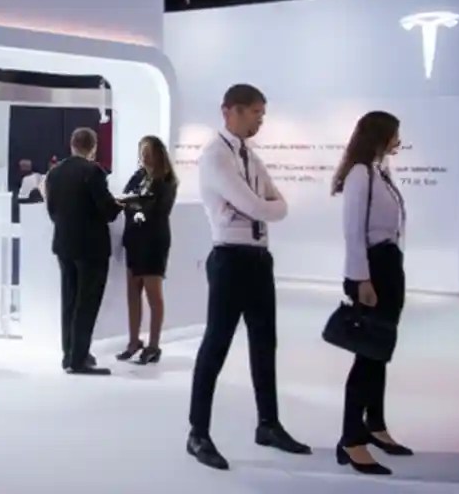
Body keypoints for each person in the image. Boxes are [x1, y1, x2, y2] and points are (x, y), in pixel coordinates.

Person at [187, 84, 309, 471]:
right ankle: (198, 433)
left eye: (262, 113)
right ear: (231, 111)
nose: (260, 120)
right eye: (256, 112)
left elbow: (280, 206)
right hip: (230, 260)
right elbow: (259, 205)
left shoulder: (250, 156)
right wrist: (260, 208)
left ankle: (268, 424)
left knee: (264, 343)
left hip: (258, 259)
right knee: (216, 346)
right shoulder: (215, 158)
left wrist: (260, 208)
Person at [330, 111, 409, 476]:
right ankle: (351, 438)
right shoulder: (361, 173)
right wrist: (361, 279)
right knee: (367, 356)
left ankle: (375, 426)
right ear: (382, 134)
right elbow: (353, 230)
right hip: (372, 271)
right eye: (395, 132)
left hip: (388, 268)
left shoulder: (379, 171)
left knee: (379, 353)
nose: (399, 138)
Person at [44, 127, 124, 376]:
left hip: (64, 243)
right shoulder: (94, 172)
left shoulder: (54, 173)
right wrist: (119, 205)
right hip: (91, 247)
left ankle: (70, 353)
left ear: (71, 144)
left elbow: (52, 209)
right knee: (86, 303)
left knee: (69, 300)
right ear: (93, 146)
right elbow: (108, 210)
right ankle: (78, 358)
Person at [116, 135, 179, 367]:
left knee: (153, 294)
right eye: (142, 151)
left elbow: (156, 209)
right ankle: (134, 342)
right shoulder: (138, 176)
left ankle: (154, 345)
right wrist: (136, 202)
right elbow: (124, 200)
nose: (144, 155)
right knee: (133, 292)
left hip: (154, 240)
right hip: (134, 238)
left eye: (148, 151)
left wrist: (135, 203)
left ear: (158, 153)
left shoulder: (167, 180)